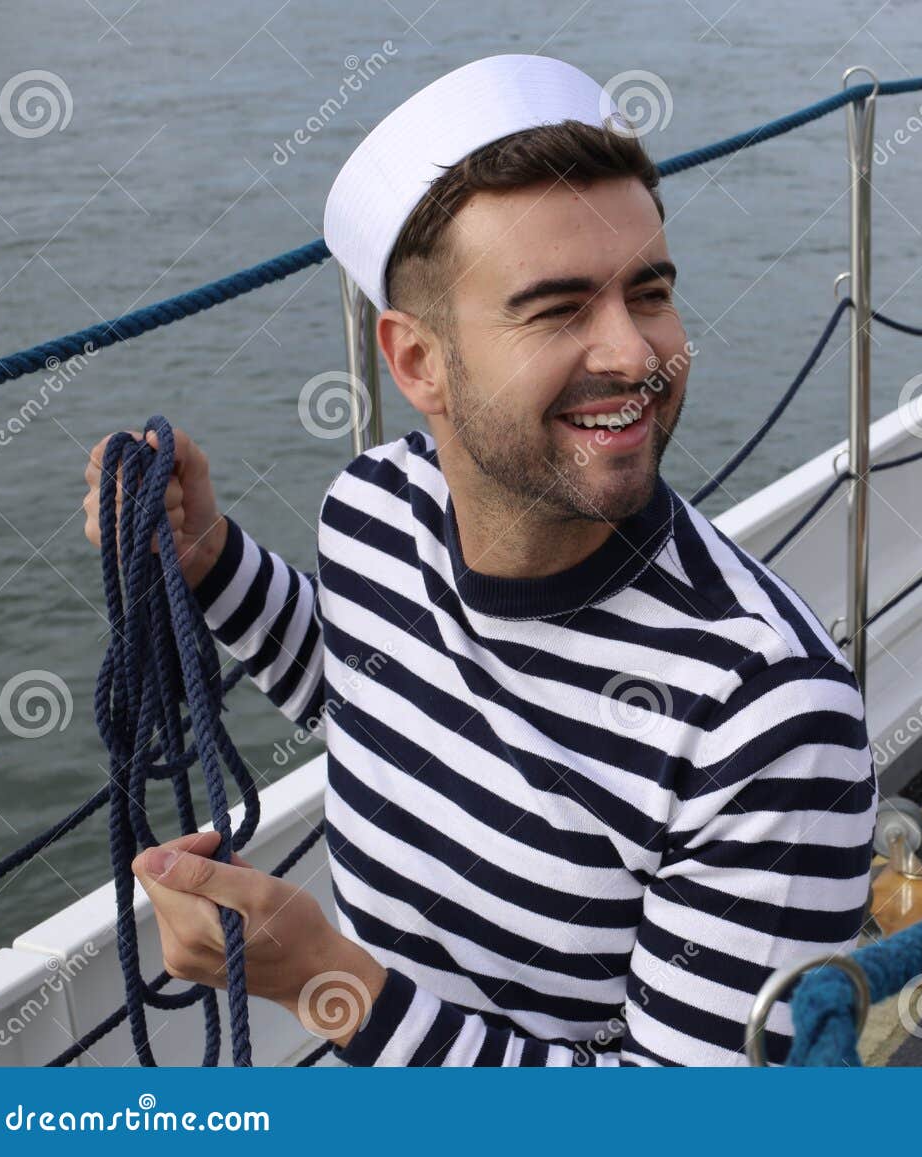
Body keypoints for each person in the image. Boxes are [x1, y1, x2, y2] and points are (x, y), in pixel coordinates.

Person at [80, 54, 876, 1066]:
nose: (634, 353)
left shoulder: (767, 720)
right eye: (558, 309)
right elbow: (366, 682)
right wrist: (208, 561)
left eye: (649, 291)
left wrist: (328, 984)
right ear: (415, 361)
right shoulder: (374, 506)